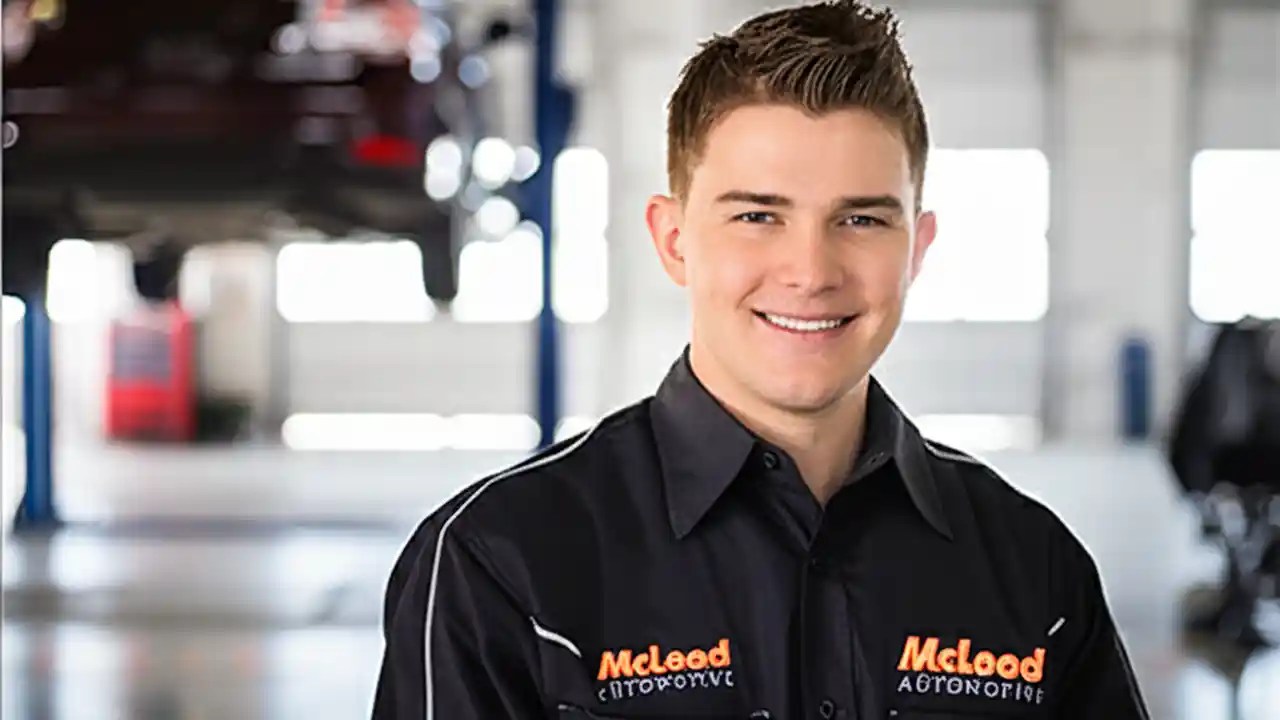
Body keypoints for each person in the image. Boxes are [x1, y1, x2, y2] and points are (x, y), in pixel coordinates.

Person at [373, 2, 1151, 717]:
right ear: (674, 239)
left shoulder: (1033, 568)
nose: (811, 271)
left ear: (917, 248)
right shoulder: (499, 566)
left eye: (860, 219)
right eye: (757, 215)